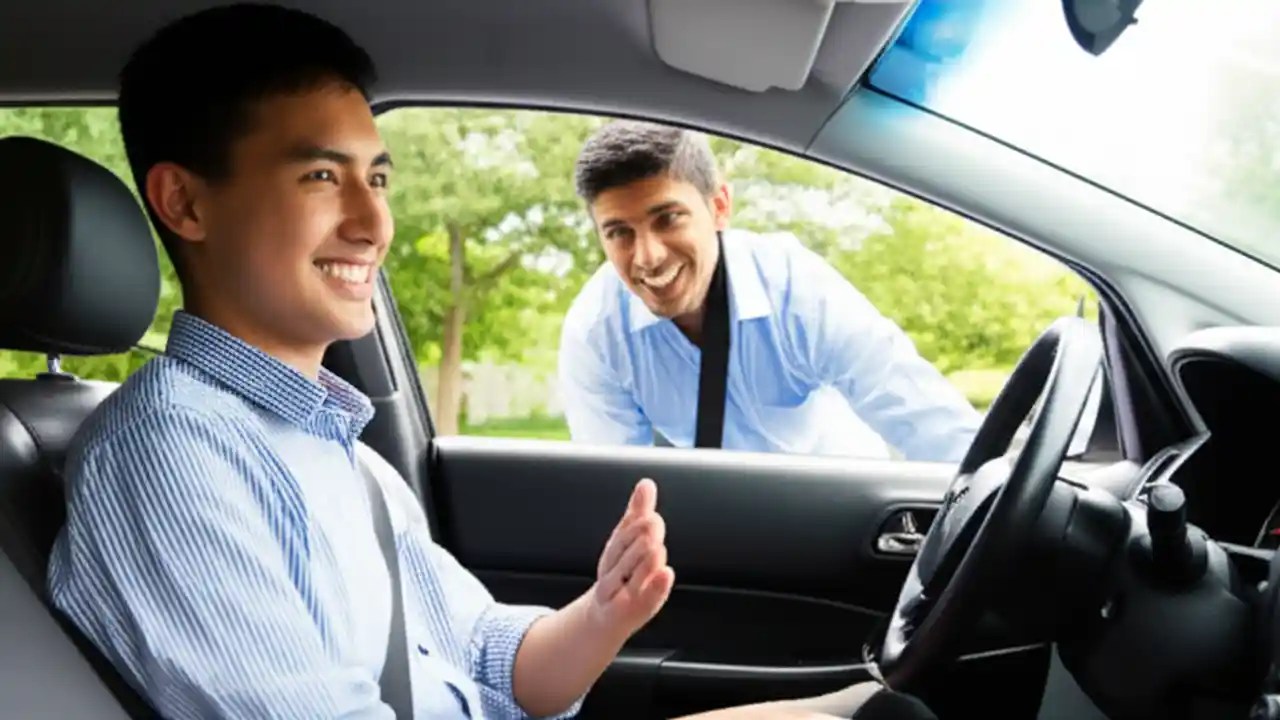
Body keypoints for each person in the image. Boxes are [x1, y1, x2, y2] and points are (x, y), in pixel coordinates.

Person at [45, 3, 912, 719]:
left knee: (876, 711)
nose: (373, 223)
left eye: (376, 180)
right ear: (185, 202)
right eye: (320, 178)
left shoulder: (335, 446)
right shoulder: (167, 459)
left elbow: (495, 655)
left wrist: (605, 612)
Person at [558, 121, 984, 462]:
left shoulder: (794, 287)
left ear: (719, 207)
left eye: (668, 219)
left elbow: (924, 416)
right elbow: (616, 484)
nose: (647, 257)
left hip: (845, 508)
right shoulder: (596, 332)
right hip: (719, 531)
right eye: (619, 233)